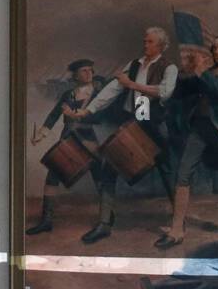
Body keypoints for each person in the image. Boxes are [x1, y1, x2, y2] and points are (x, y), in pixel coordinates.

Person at [72, 27, 179, 244]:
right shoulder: (135, 64)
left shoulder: (170, 67)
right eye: (145, 41)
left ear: (160, 46)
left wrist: (132, 85)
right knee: (109, 167)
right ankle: (104, 224)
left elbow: (164, 92)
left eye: (149, 42)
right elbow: (113, 89)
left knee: (168, 173)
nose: (145, 45)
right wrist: (89, 109)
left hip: (156, 123)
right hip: (136, 117)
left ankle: (178, 225)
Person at [155, 35, 218, 249]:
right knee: (183, 174)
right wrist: (184, 73)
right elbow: (181, 92)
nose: (217, 52)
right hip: (201, 127)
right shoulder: (207, 72)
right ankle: (177, 229)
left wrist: (199, 72)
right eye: (214, 48)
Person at [26, 58, 107, 236]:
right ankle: (46, 220)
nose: (89, 73)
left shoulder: (98, 94)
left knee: (100, 177)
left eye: (90, 70)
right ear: (76, 75)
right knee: (53, 176)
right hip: (68, 139)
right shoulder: (68, 95)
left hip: (88, 140)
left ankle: (107, 217)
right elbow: (54, 115)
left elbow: (100, 117)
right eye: (84, 71)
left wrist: (78, 115)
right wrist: (41, 134)